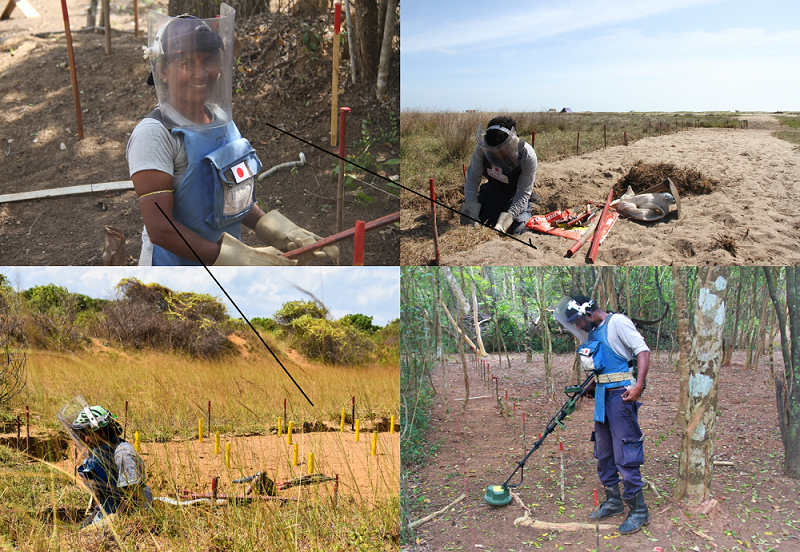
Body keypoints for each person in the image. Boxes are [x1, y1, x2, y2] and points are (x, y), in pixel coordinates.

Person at [126, 5, 337, 266]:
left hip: (221, 273)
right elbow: (161, 229)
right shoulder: (155, 134)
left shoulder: (221, 121)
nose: (201, 73)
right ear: (163, 71)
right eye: (186, 63)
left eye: (208, 60)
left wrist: (276, 230)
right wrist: (242, 258)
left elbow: (230, 197)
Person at [564, 295, 651, 535]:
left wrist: (639, 385)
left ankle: (639, 511)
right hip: (602, 397)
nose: (579, 328)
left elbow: (642, 350)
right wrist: (590, 387)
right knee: (603, 453)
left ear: (589, 314)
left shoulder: (618, 322)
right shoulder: (593, 333)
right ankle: (613, 501)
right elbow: (601, 367)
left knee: (626, 453)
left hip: (621, 397)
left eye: (579, 323)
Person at [70, 405, 153, 527]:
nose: (83, 439)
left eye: (85, 433)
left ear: (101, 431)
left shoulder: (123, 454)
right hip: (108, 508)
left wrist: (109, 527)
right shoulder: (99, 451)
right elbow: (105, 499)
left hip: (130, 515)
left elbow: (131, 500)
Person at [460, 115, 539, 234]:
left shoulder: (527, 154)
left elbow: (523, 193)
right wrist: (471, 207)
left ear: (512, 142)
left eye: (501, 152)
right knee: (480, 222)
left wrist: (508, 218)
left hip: (515, 195)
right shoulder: (483, 148)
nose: (496, 156)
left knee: (518, 230)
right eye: (493, 152)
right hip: (492, 191)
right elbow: (472, 178)